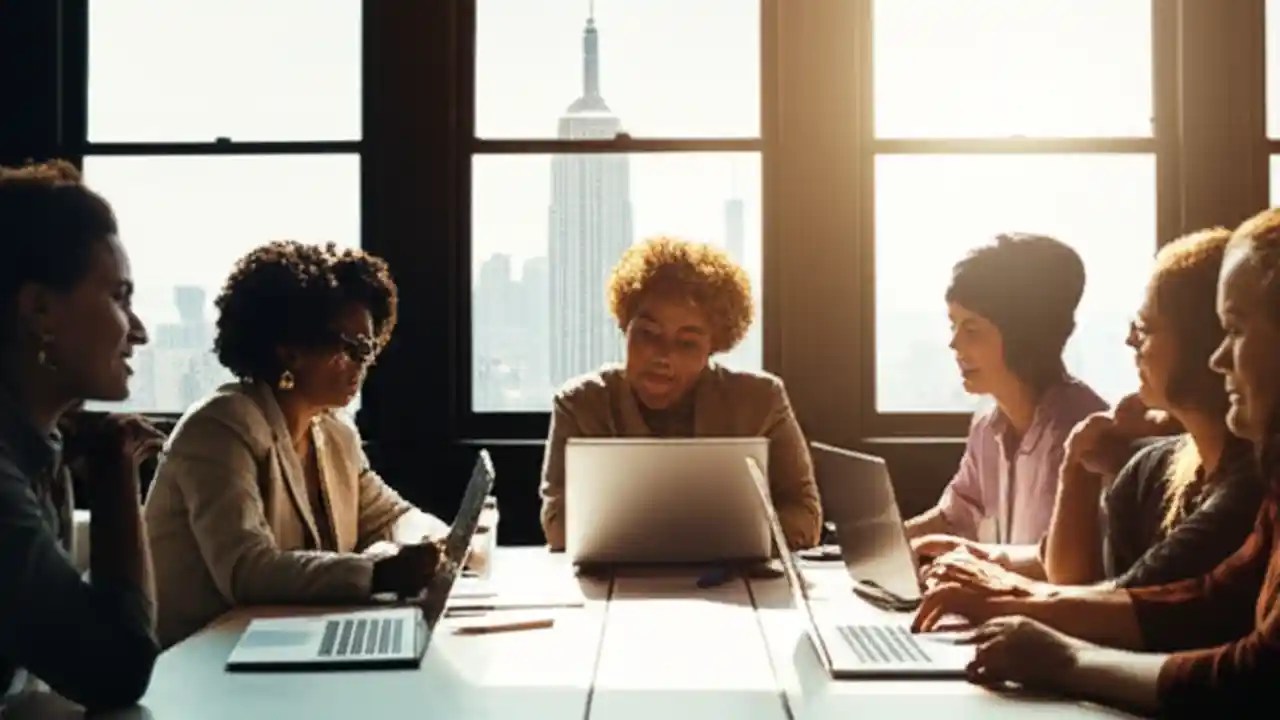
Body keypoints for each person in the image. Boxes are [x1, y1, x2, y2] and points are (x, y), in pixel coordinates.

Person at [925, 208, 1280, 716]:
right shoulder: (1178, 471)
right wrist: (1010, 601)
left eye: (1237, 331)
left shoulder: (1248, 486)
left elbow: (1253, 674)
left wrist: (1057, 647)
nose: (1220, 358)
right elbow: (1204, 599)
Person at [145, 241, 449, 648]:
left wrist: (438, 541)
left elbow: (389, 515)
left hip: (276, 649)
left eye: (370, 348)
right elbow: (246, 571)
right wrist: (377, 574)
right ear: (290, 349)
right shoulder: (220, 427)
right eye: (352, 346)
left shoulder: (335, 434)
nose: (365, 361)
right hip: (195, 661)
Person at [539, 236, 822, 550]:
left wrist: (674, 539)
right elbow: (558, 526)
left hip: (729, 584)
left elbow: (806, 516)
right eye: (648, 334)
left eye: (686, 343)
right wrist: (715, 535)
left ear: (713, 347)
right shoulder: (579, 404)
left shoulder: (761, 401)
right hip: (619, 584)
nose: (663, 356)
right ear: (625, 327)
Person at [0, 160, 161, 709]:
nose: (136, 330)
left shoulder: (39, 449)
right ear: (40, 310)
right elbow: (114, 669)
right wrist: (118, 477)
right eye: (119, 296)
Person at [905, 234, 1107, 555]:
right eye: (953, 326)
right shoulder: (987, 425)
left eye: (971, 330)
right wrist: (880, 549)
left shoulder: (1080, 432)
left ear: (1023, 337)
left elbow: (1060, 566)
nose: (954, 344)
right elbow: (952, 517)